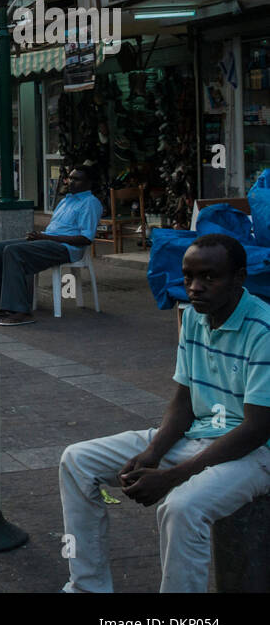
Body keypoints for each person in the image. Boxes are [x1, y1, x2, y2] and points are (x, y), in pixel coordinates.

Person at [58, 234, 270, 593]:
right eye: (188, 277)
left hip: (255, 454)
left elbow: (257, 429)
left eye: (208, 277)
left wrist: (173, 477)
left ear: (239, 277)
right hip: (198, 437)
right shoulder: (193, 319)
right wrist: (152, 454)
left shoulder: (263, 329)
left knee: (181, 508)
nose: (194, 287)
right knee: (76, 461)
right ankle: (87, 587)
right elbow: (185, 400)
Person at [0, 167, 103, 326]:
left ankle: (21, 311)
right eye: (70, 178)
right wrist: (39, 236)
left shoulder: (90, 203)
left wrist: (46, 237)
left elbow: (85, 239)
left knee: (13, 252)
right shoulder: (65, 201)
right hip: (47, 240)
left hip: (66, 248)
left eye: (76, 179)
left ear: (89, 183)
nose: (70, 182)